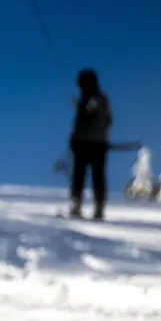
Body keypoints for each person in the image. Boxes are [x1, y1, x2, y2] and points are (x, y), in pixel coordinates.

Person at [69, 69, 113, 219]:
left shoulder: (91, 98)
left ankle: (77, 204)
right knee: (98, 176)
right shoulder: (103, 99)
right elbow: (108, 121)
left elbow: (85, 119)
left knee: (79, 175)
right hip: (100, 144)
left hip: (86, 143)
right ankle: (99, 207)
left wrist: (80, 111)